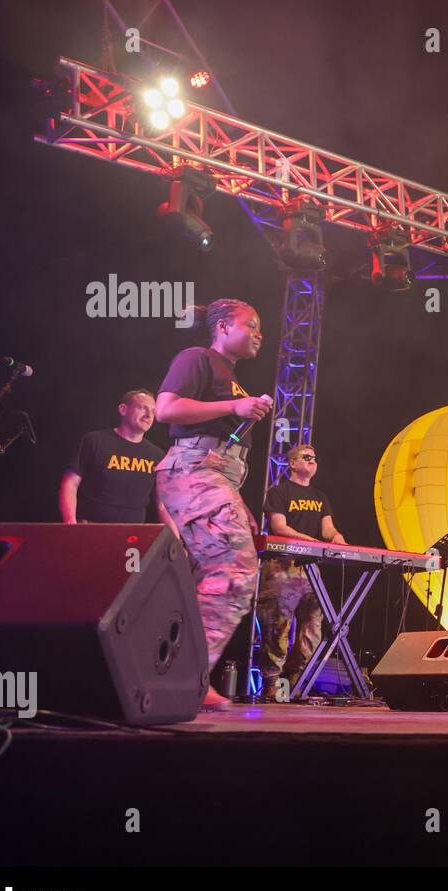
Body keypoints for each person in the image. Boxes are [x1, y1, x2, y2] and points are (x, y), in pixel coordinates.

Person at [155, 298, 273, 712]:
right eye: (252, 325)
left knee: (225, 575)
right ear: (223, 327)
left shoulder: (232, 376)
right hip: (195, 468)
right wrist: (235, 407)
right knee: (236, 567)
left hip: (216, 474)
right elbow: (165, 408)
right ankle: (187, 676)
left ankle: (172, 672)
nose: (260, 333)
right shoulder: (198, 358)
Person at [257, 444, 346, 700]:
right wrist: (308, 539)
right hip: (282, 566)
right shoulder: (278, 492)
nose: (312, 462)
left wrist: (337, 537)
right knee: (277, 627)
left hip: (310, 568)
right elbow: (278, 526)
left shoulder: (320, 496)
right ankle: (272, 684)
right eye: (307, 457)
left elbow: (327, 529)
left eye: (315, 459)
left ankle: (295, 682)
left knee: (313, 627)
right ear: (292, 463)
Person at [59, 389, 173, 530]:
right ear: (123, 409)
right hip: (91, 531)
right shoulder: (95, 441)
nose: (149, 415)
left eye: (153, 412)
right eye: (143, 408)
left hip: (133, 537)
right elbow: (70, 483)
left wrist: (177, 542)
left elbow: (162, 505)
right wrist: (70, 525)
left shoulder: (157, 455)